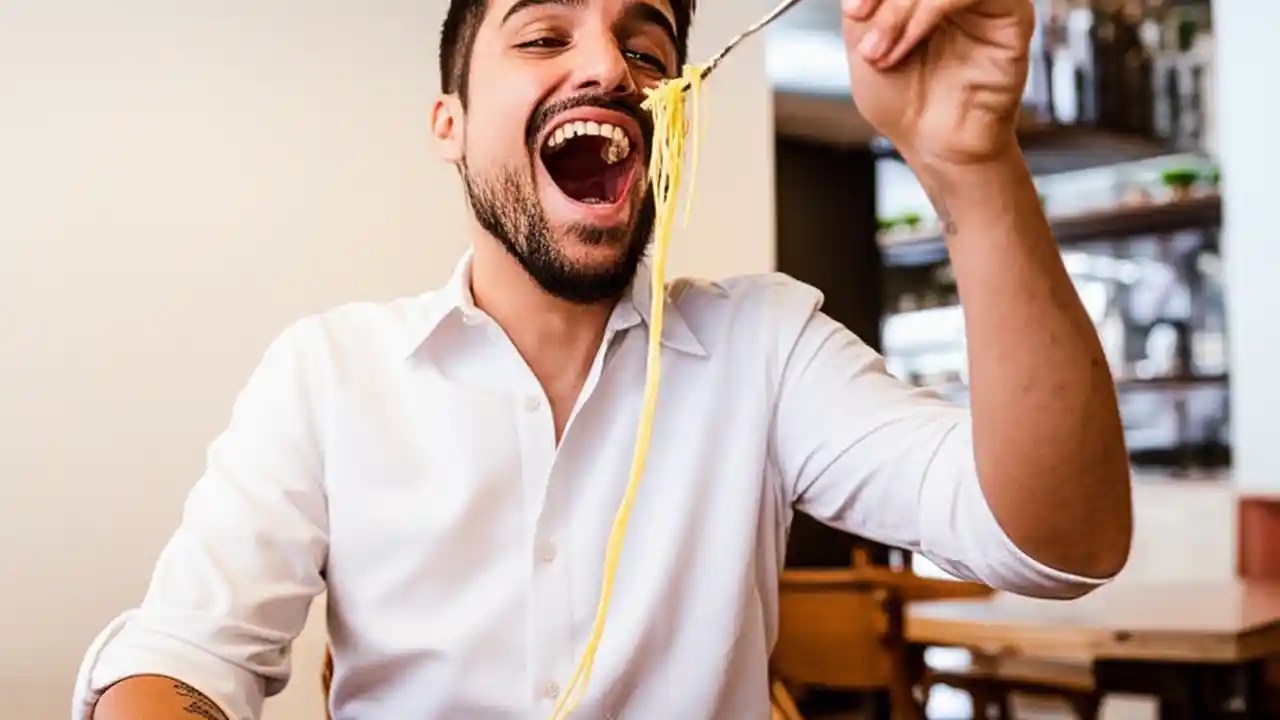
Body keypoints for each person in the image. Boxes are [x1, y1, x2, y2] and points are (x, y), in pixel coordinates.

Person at [74, 0, 1133, 718]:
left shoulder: (764, 349)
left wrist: (966, 159)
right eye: (541, 36)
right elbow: (182, 656)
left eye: (644, 47)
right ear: (448, 124)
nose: (606, 67)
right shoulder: (328, 374)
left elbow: (1056, 542)